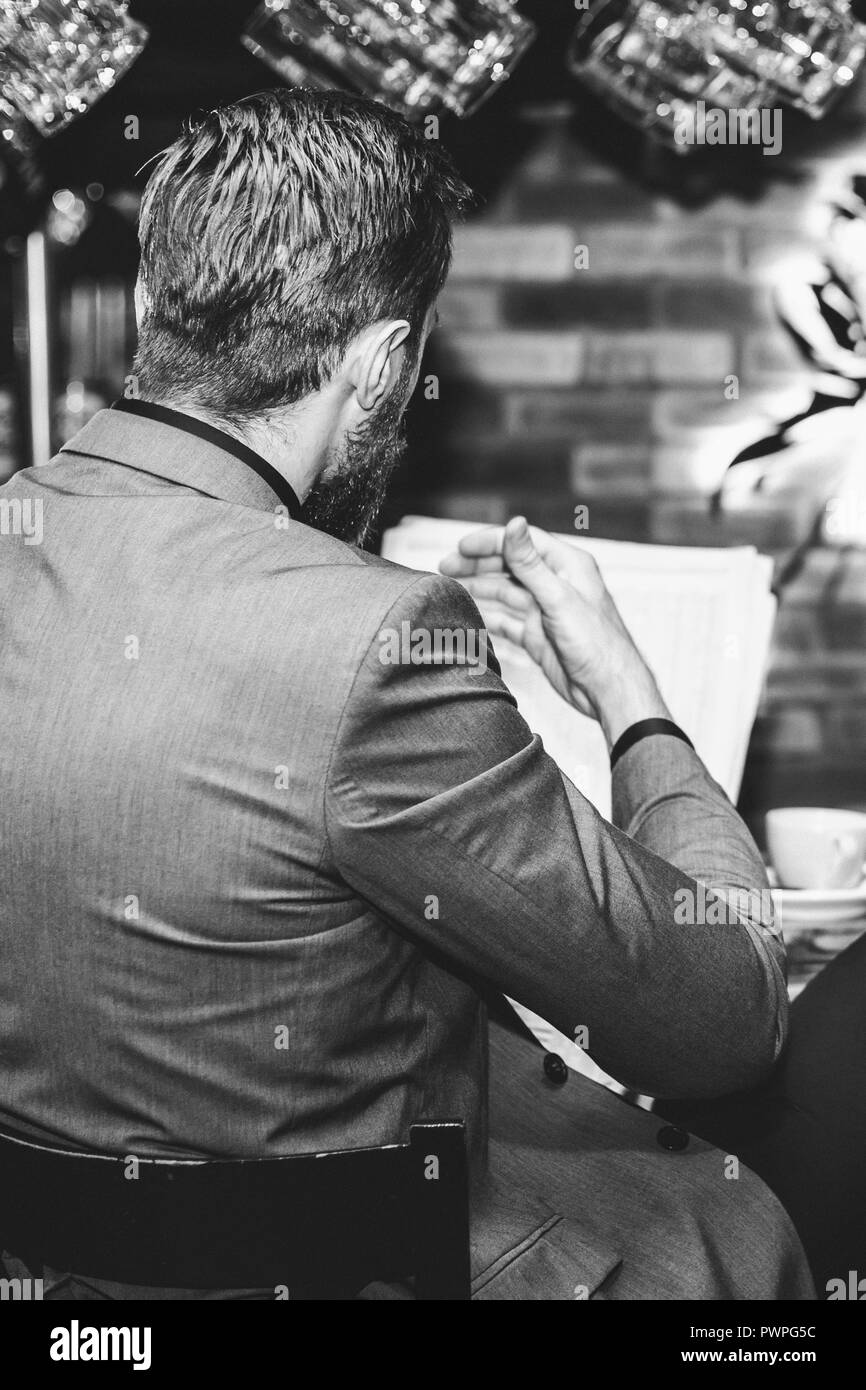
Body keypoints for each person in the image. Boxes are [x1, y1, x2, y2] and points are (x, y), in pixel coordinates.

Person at [0, 88, 812, 1300]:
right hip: (353, 1273)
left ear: (159, 303)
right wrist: (627, 694)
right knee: (734, 1216)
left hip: (60, 1280)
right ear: (383, 364)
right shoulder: (373, 636)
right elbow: (720, 1019)